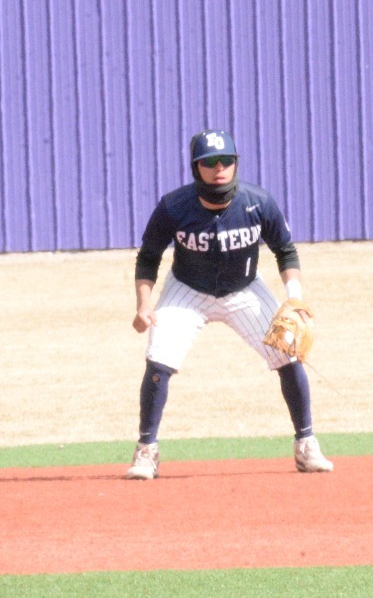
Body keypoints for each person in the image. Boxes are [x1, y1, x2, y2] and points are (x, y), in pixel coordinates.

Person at [126, 129, 332, 480]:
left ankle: (306, 443)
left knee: (288, 351)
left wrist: (293, 297)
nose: (218, 168)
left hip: (245, 289)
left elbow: (286, 251)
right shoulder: (174, 206)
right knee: (159, 358)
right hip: (188, 290)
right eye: (209, 162)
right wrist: (144, 304)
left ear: (236, 164)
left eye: (227, 161)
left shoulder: (257, 202)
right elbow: (148, 257)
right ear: (196, 167)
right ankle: (147, 450)